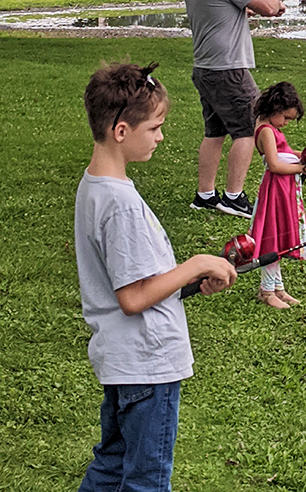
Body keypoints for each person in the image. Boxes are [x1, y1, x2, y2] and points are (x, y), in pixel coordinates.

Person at [75, 61, 237, 492]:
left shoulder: (94, 185)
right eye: (156, 127)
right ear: (122, 131)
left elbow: (135, 281)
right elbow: (132, 297)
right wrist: (196, 263)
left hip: (122, 361)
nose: (162, 137)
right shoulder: (121, 204)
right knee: (146, 478)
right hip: (148, 366)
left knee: (112, 464)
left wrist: (184, 283)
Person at [183, 0, 286, 217]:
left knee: (214, 132)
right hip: (228, 68)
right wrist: (276, 4)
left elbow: (219, 9)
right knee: (248, 128)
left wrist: (244, 8)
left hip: (205, 67)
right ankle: (233, 197)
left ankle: (205, 195)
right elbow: (268, 7)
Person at [250, 81, 306, 310]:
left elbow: (285, 153)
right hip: (275, 190)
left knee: (279, 235)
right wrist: (302, 169)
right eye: (286, 118)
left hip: (284, 189)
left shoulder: (272, 128)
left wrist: (304, 155)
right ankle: (266, 291)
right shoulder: (266, 131)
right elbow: (274, 164)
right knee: (272, 236)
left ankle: (278, 288)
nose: (287, 123)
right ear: (274, 109)